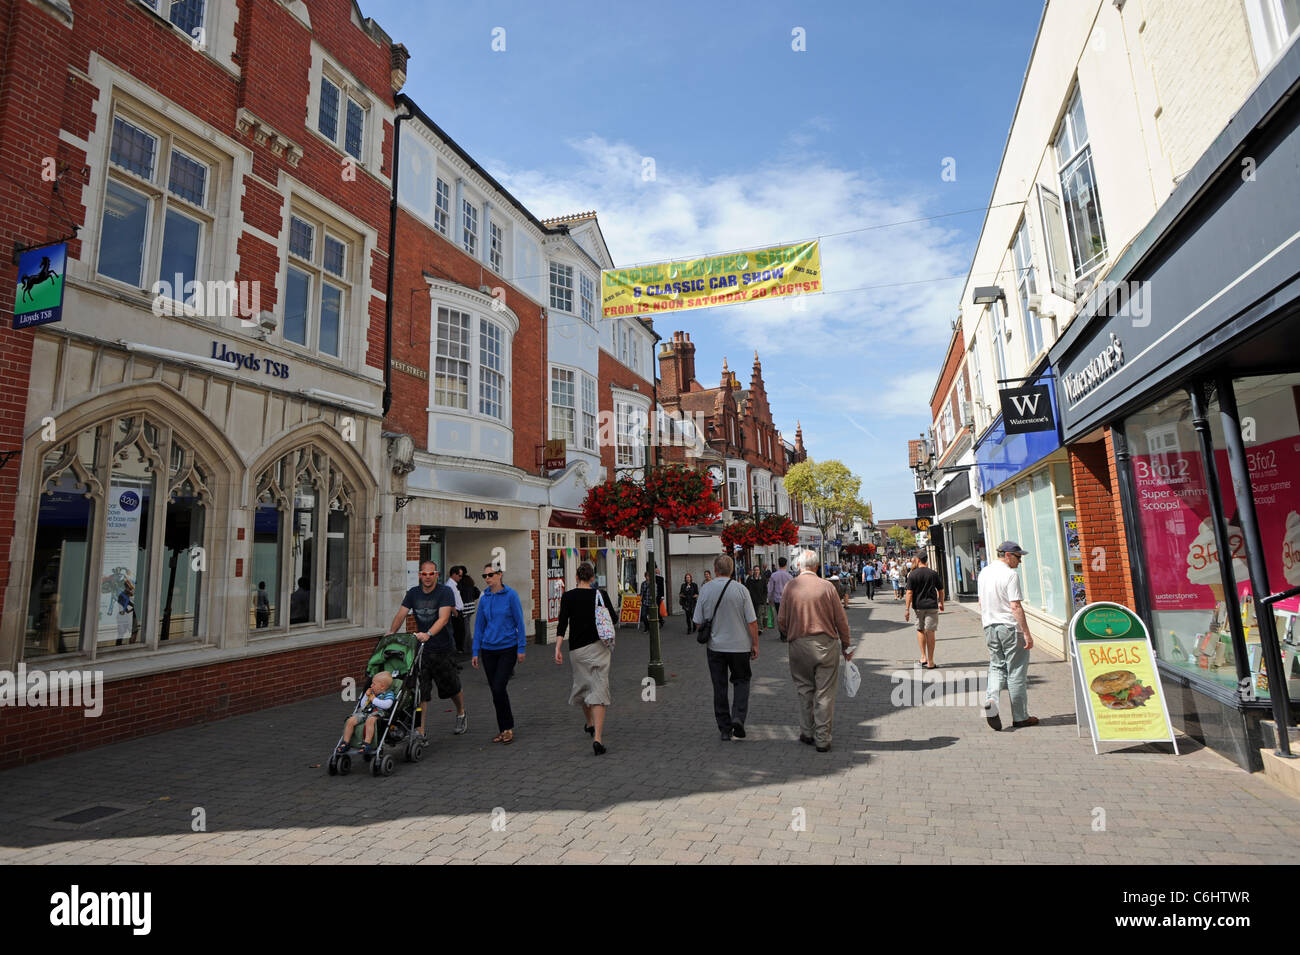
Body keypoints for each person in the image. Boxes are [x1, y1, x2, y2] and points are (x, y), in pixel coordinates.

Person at [778, 550, 853, 753]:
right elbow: (841, 620)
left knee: (804, 689)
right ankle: (823, 738)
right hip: (825, 645)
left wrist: (789, 634)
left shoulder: (790, 587)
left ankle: (807, 732)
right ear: (817, 567)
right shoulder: (827, 587)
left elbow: (781, 620)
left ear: (800, 566)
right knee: (825, 691)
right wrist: (846, 645)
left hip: (798, 644)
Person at [390, 561, 466, 738]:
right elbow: (401, 614)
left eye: (431, 574)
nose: (427, 577)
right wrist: (390, 633)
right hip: (421, 651)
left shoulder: (444, 592)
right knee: (421, 692)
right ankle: (420, 731)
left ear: (436, 575)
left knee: (451, 687)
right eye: (424, 574)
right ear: (419, 575)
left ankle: (461, 712)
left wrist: (429, 633)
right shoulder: (413, 593)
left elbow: (444, 618)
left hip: (442, 648)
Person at [693, 554, 758, 741]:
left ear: (715, 569)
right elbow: (752, 622)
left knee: (719, 686)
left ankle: (724, 728)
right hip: (740, 646)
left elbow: (698, 622)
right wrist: (755, 644)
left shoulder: (706, 590)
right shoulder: (741, 590)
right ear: (732, 570)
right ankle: (738, 716)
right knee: (742, 681)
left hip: (716, 647)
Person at [554, 562, 616, 755]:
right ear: (592, 578)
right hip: (599, 647)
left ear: (576, 577)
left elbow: (562, 623)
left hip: (577, 650)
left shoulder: (568, 597)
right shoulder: (601, 595)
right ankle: (597, 737)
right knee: (599, 689)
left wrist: (557, 648)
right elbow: (612, 618)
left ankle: (589, 722)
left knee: (582, 686)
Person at [977, 541, 1037, 731]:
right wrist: (1026, 633)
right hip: (1010, 627)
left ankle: (991, 699)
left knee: (996, 666)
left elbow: (981, 602)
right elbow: (1015, 606)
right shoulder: (1010, 575)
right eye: (1018, 557)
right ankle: (1020, 717)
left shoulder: (984, 573)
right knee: (1016, 671)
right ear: (1008, 555)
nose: (1020, 562)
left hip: (990, 626)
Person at [473, 561, 528, 744]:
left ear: (499, 575)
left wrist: (521, 647)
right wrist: (475, 651)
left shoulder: (511, 595)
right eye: (485, 576)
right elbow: (479, 625)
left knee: (498, 687)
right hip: (488, 649)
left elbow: (520, 622)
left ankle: (508, 727)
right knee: (496, 691)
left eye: (490, 575)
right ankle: (503, 728)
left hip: (507, 648)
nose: (487, 578)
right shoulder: (484, 597)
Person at [336, 670, 395, 759]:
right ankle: (345, 742)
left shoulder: (389, 694)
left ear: (382, 687)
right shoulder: (372, 693)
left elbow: (387, 705)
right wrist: (366, 696)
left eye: (374, 684)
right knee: (350, 720)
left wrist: (374, 699)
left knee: (370, 720)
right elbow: (362, 704)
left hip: (378, 713)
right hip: (365, 712)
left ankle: (366, 743)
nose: (371, 686)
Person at [904, 552, 945, 669]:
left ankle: (923, 657)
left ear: (918, 560)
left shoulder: (912, 574)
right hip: (932, 606)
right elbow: (941, 590)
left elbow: (909, 592)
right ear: (926, 560)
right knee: (931, 631)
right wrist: (941, 603)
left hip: (918, 607)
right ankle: (931, 661)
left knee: (920, 630)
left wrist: (907, 609)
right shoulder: (933, 573)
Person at [767, 557, 793, 642]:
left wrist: (769, 598)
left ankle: (782, 635)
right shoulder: (789, 576)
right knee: (787, 616)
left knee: (779, 616)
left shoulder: (774, 575)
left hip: (777, 599)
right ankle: (787, 633)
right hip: (787, 599)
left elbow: (770, 589)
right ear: (786, 564)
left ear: (778, 564)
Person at [745, 566, 768, 633]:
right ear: (753, 571)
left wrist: (764, 598)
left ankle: (759, 629)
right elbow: (746, 589)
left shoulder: (763, 579)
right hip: (752, 600)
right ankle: (756, 627)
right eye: (755, 570)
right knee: (754, 615)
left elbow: (765, 590)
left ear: (759, 571)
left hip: (760, 600)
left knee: (759, 615)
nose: (756, 571)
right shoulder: (749, 579)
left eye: (757, 570)